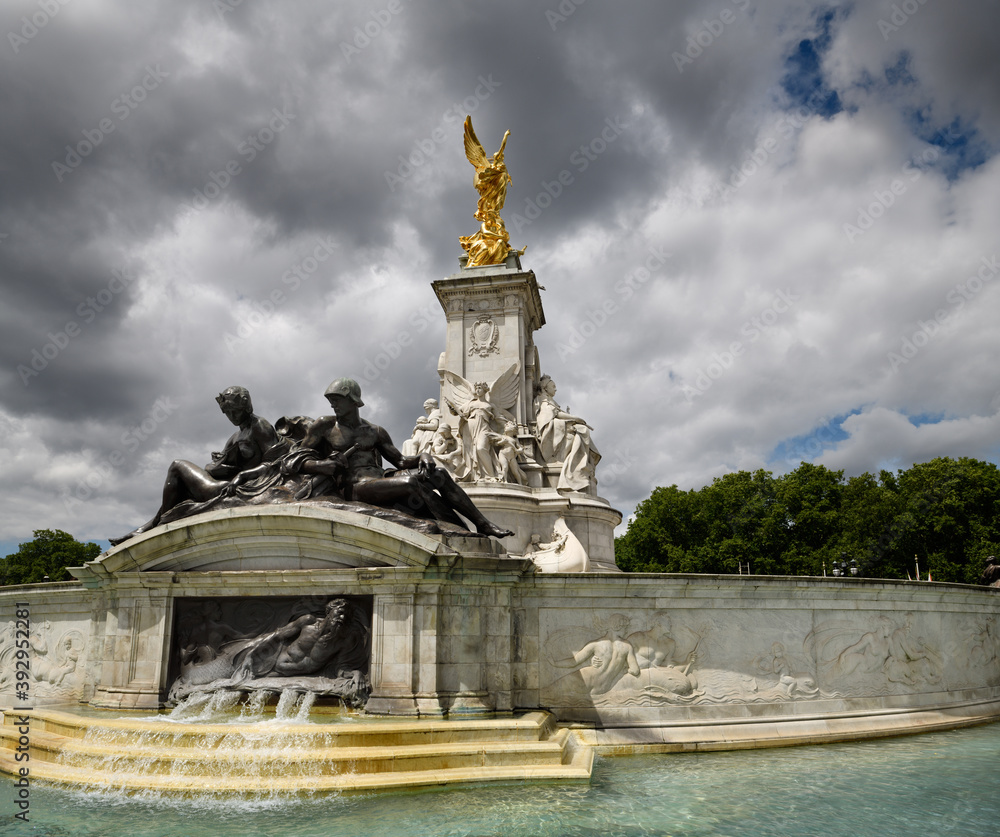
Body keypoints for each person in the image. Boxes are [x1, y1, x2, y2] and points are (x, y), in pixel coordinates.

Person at [292, 378, 513, 538]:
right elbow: (296, 460)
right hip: (353, 487)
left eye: (338, 400)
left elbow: (399, 462)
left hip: (380, 479)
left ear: (353, 401)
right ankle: (457, 528)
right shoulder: (324, 425)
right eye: (331, 400)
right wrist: (322, 465)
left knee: (439, 475)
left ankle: (482, 523)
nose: (333, 405)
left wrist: (424, 455)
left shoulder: (374, 431)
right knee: (410, 482)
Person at [111, 386, 287, 543]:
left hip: (237, 489)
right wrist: (218, 467)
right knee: (180, 484)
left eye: (235, 411)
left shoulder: (259, 426)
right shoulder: (235, 436)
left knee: (177, 466)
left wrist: (242, 475)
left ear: (246, 406)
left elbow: (274, 463)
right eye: (228, 412)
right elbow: (210, 468)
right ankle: (152, 525)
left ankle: (153, 526)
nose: (232, 417)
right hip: (224, 483)